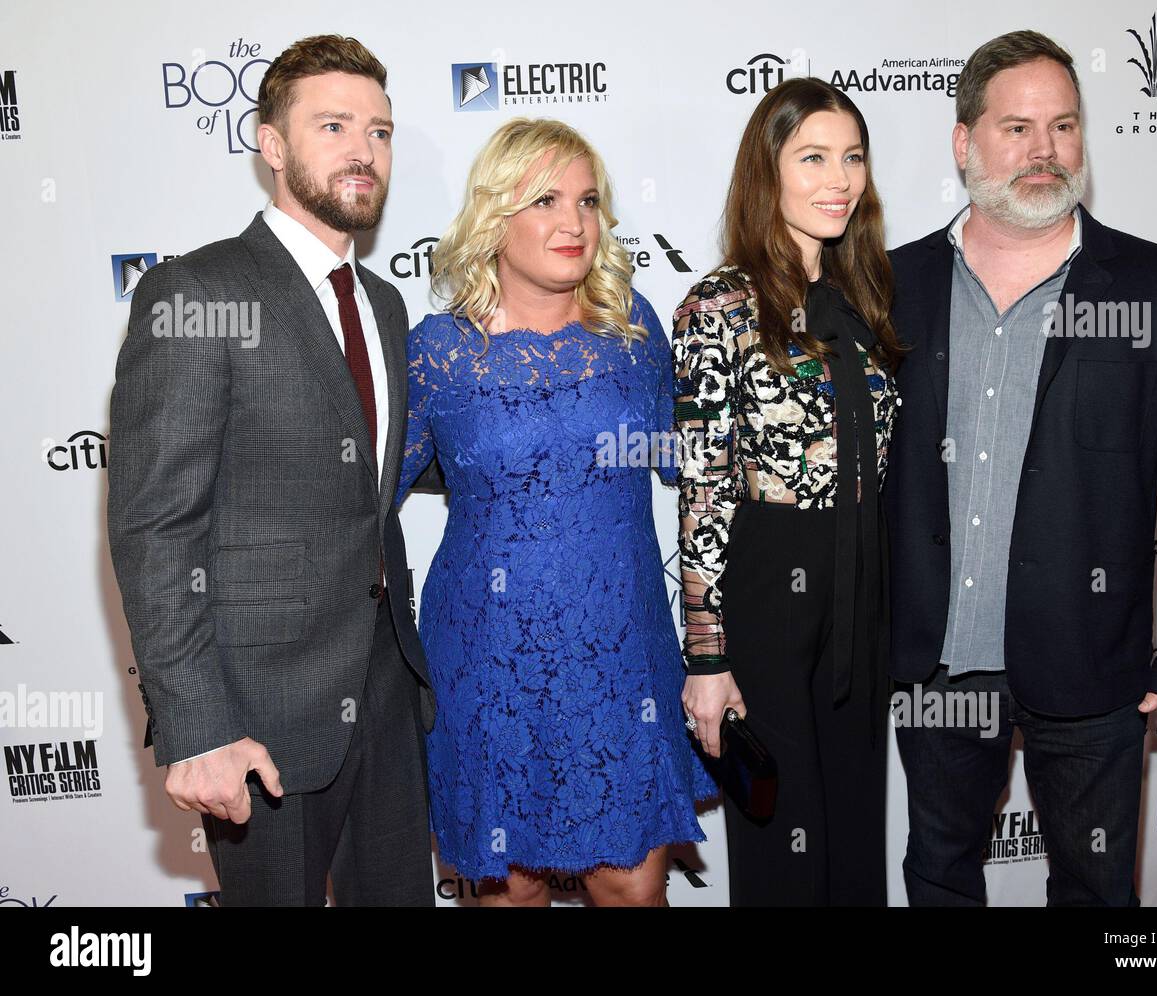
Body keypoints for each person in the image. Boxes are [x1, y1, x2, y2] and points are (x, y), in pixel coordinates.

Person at [885, 30, 1157, 906]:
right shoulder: (892, 287)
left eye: (1065, 126)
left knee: (1095, 890)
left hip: (1094, 668)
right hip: (939, 665)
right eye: (1017, 128)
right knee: (938, 873)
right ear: (964, 142)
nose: (1045, 151)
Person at [106, 35, 437, 906]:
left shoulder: (386, 305)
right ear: (272, 143)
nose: (363, 150)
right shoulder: (196, 291)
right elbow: (153, 526)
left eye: (381, 130)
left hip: (387, 690)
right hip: (256, 714)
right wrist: (196, 723)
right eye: (333, 125)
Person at [397, 117, 714, 907]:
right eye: (545, 200)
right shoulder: (437, 351)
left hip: (621, 654)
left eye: (587, 201)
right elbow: (365, 502)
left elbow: (697, 474)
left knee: (633, 891)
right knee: (509, 896)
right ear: (494, 216)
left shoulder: (634, 331)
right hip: (488, 659)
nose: (573, 223)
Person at [673, 77, 904, 906]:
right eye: (813, 157)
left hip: (862, 589)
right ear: (766, 172)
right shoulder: (719, 306)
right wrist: (707, 656)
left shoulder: (866, 299)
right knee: (784, 846)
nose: (839, 179)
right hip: (769, 588)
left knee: (854, 835)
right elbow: (701, 488)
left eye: (852, 157)